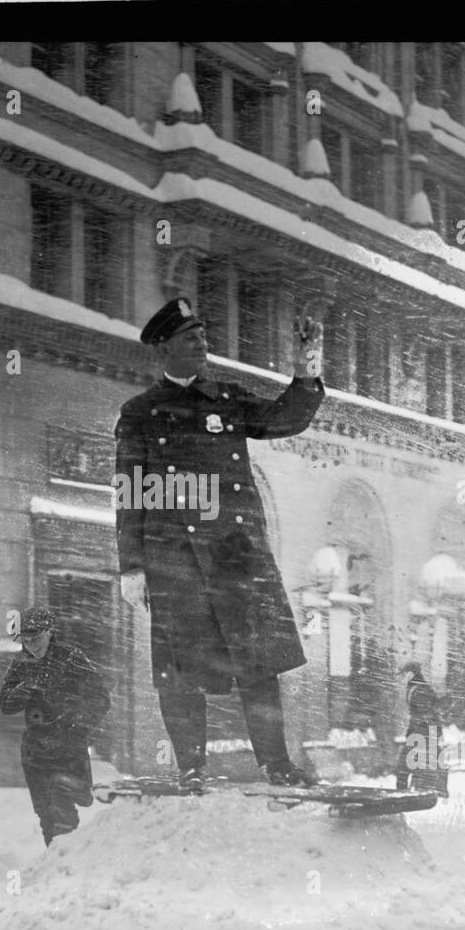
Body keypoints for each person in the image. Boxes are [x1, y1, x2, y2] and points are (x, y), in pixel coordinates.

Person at [115, 295, 325, 790]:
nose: (202, 345)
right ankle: (191, 768)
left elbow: (285, 419)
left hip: (235, 557)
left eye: (204, 337)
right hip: (176, 561)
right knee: (179, 672)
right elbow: (129, 493)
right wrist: (132, 566)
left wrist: (307, 368)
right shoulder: (140, 413)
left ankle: (277, 765)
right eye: (191, 338)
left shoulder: (227, 400)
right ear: (164, 349)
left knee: (258, 664)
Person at [0, 607, 111, 846]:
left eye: (36, 638)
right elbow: (5, 704)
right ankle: (55, 857)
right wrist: (25, 689)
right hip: (35, 751)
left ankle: (65, 856)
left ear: (50, 632)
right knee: (45, 813)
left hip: (67, 748)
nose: (31, 646)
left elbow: (100, 699)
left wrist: (74, 727)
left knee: (62, 808)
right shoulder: (21, 664)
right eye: (25, 640)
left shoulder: (71, 658)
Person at [400, 662, 449, 796]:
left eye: (404, 674)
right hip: (421, 730)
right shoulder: (415, 687)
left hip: (425, 730)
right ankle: (435, 790)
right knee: (413, 764)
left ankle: (435, 790)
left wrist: (419, 731)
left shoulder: (421, 689)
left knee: (408, 764)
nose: (402, 677)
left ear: (411, 674)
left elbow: (426, 713)